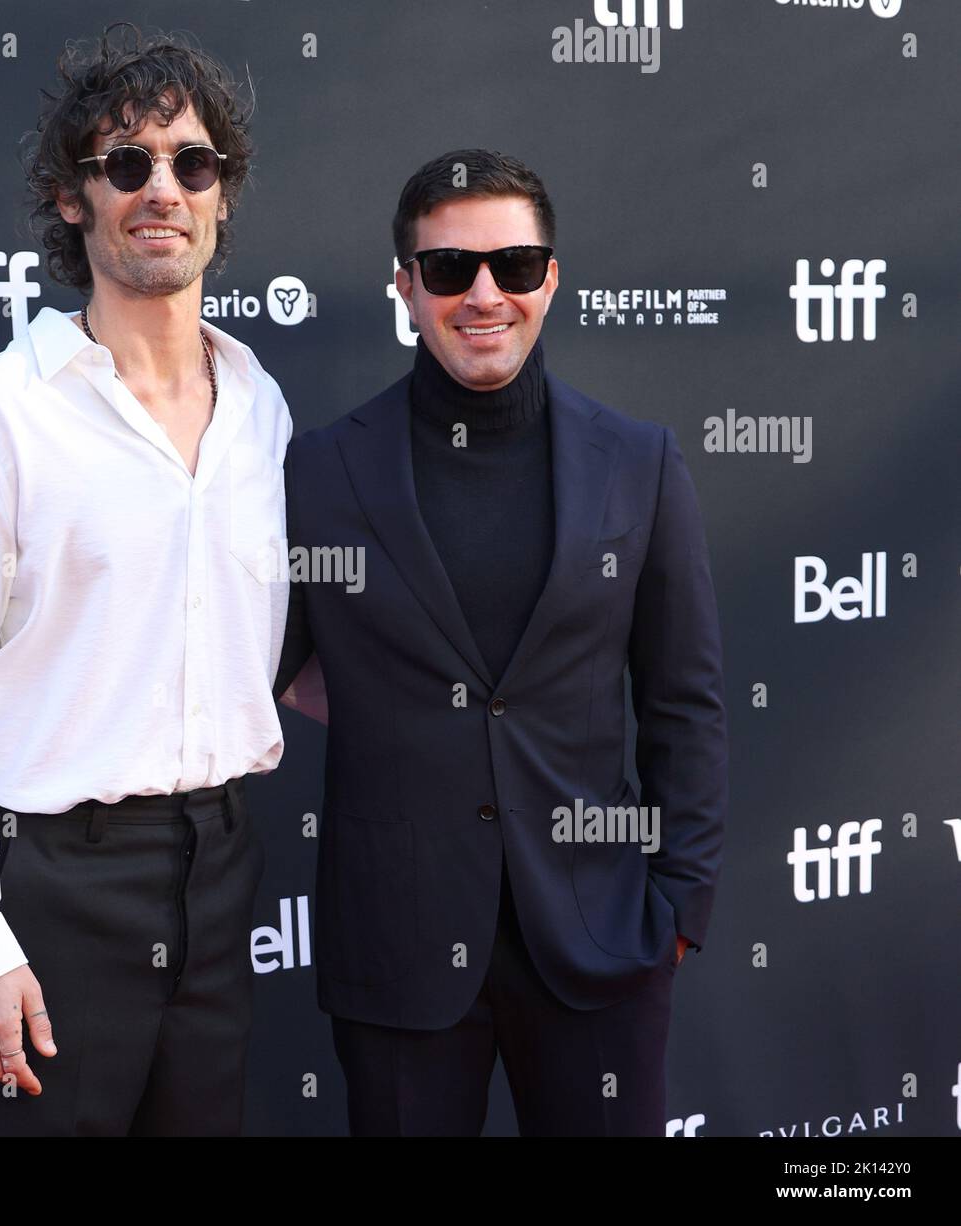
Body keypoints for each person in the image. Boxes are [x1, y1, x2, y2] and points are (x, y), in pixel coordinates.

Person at [0, 23, 292, 1136]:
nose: (161, 187)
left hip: (218, 872)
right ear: (75, 198)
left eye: (190, 163)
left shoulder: (261, 407)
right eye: (125, 163)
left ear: (220, 196)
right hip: (54, 889)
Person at [273, 149, 728, 1136]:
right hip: (396, 952)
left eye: (514, 266)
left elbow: (683, 699)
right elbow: (264, 667)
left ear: (550, 278)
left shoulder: (638, 462)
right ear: (404, 286)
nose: (484, 294)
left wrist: (679, 910)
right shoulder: (317, 470)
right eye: (448, 270)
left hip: (600, 943)